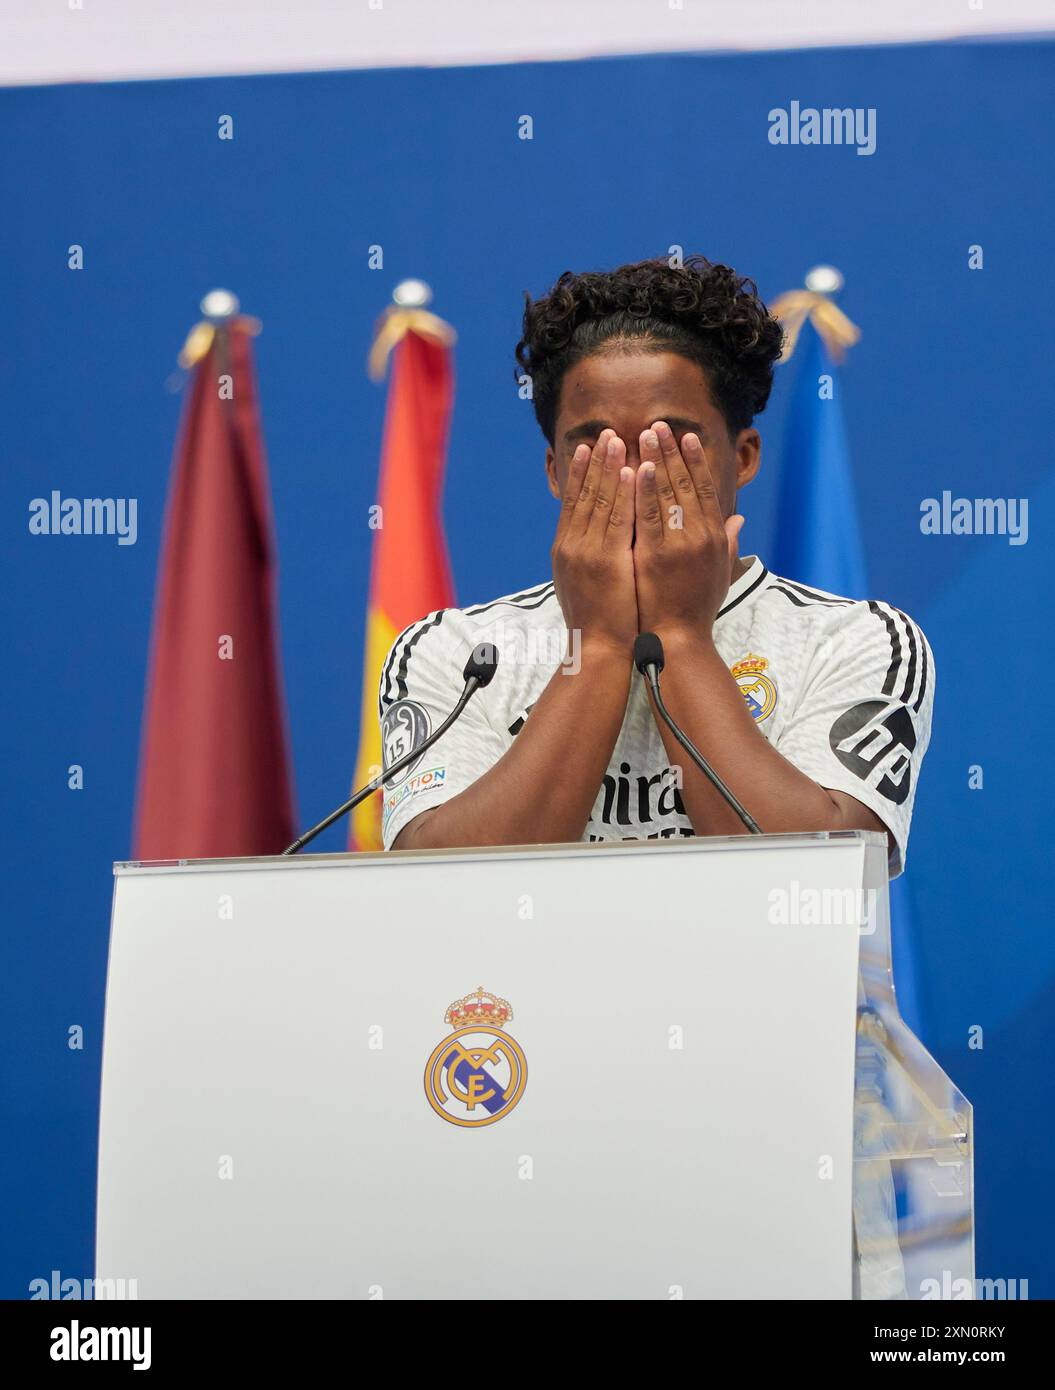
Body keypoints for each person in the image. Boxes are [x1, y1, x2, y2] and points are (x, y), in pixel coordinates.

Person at [377, 255, 933, 875]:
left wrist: (680, 636)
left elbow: (819, 883)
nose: (637, 475)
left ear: (743, 458)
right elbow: (436, 892)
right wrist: (602, 642)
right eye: (596, 448)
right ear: (555, 471)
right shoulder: (454, 651)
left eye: (670, 444)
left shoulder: (857, 640)